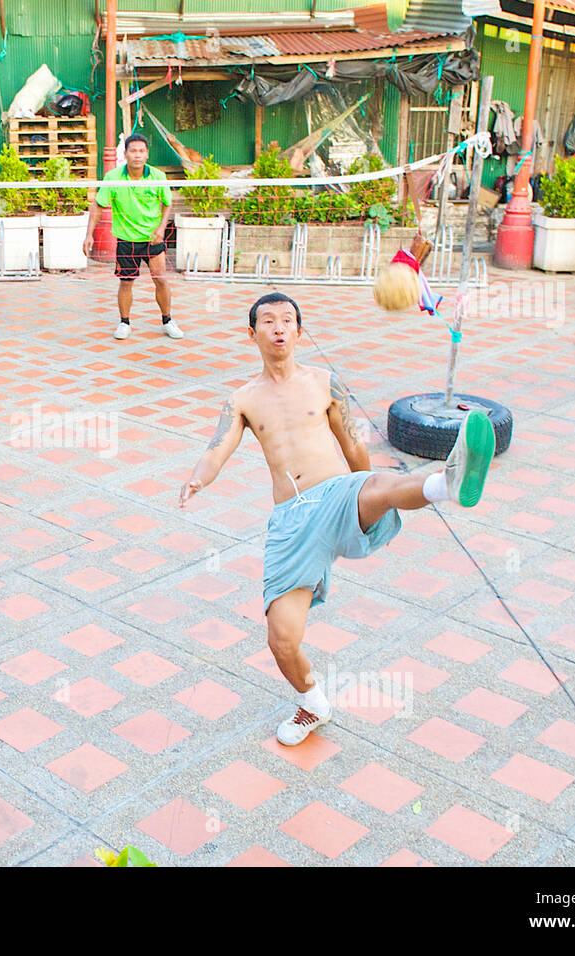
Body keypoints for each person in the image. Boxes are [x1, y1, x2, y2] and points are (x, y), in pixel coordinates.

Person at [179, 292, 495, 746]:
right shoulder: (243, 399)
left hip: (337, 493)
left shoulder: (325, 382)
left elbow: (353, 445)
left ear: (300, 332)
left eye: (287, 320)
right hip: (291, 520)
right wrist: (196, 480)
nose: (279, 327)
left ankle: (448, 481)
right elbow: (217, 448)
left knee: (380, 485)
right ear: (252, 335)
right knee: (281, 639)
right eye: (267, 321)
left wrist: (363, 489)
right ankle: (313, 704)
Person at [83, 134, 182, 341]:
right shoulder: (113, 178)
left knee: (161, 279)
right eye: (133, 151)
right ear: (125, 154)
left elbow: (167, 203)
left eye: (141, 151)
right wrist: (88, 235)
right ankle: (124, 322)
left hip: (152, 239)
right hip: (126, 240)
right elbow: (98, 205)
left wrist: (162, 228)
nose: (137, 155)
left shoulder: (157, 176)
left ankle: (167, 321)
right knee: (126, 282)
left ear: (147, 154)